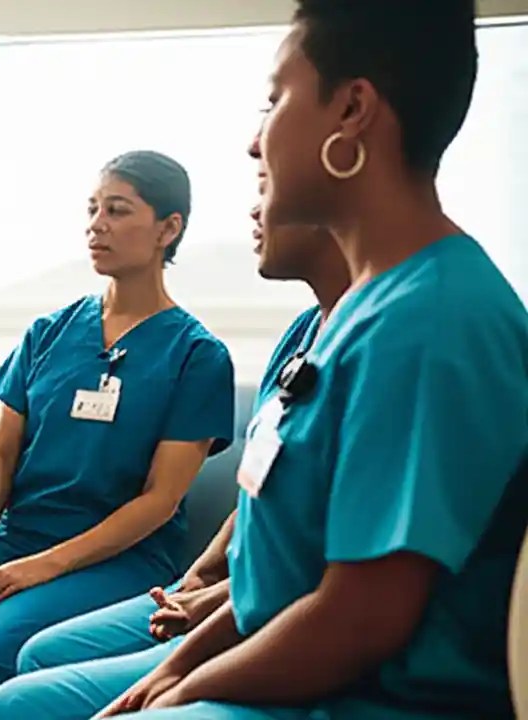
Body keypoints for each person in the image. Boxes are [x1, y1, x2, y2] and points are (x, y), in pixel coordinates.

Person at [101, 2, 525, 717]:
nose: (254, 143)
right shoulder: (361, 312)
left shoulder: (436, 321)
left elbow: (357, 619)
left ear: (352, 110)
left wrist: (180, 691)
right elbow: (284, 578)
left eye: (274, 100)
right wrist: (168, 675)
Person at [0, 150, 237, 718]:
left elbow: (161, 500)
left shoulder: (197, 356)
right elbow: (0, 452)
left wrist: (45, 566)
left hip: (122, 558)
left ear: (169, 228)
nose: (96, 225)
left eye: (117, 210)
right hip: (19, 534)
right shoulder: (51, 331)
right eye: (91, 210)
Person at [0, 161, 352, 720]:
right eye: (92, 209)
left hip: (249, 604)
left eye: (268, 187)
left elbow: (340, 583)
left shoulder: (199, 353)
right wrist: (200, 576)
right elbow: (258, 490)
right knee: (17, 650)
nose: (253, 209)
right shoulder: (302, 334)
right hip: (222, 586)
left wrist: (186, 654)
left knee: (9, 693)